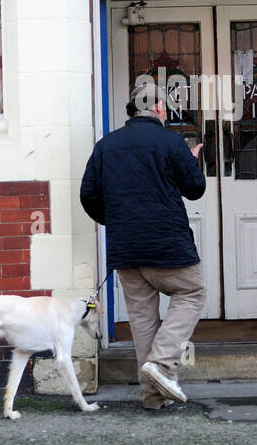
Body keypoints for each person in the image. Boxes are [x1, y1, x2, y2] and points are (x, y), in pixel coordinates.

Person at [80, 80, 206, 409]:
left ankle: (152, 397)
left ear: (134, 110)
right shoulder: (171, 142)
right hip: (169, 247)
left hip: (128, 249)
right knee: (191, 293)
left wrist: (119, 221)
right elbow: (195, 188)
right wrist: (190, 161)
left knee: (142, 319)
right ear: (160, 109)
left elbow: (88, 195)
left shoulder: (106, 146)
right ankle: (163, 365)